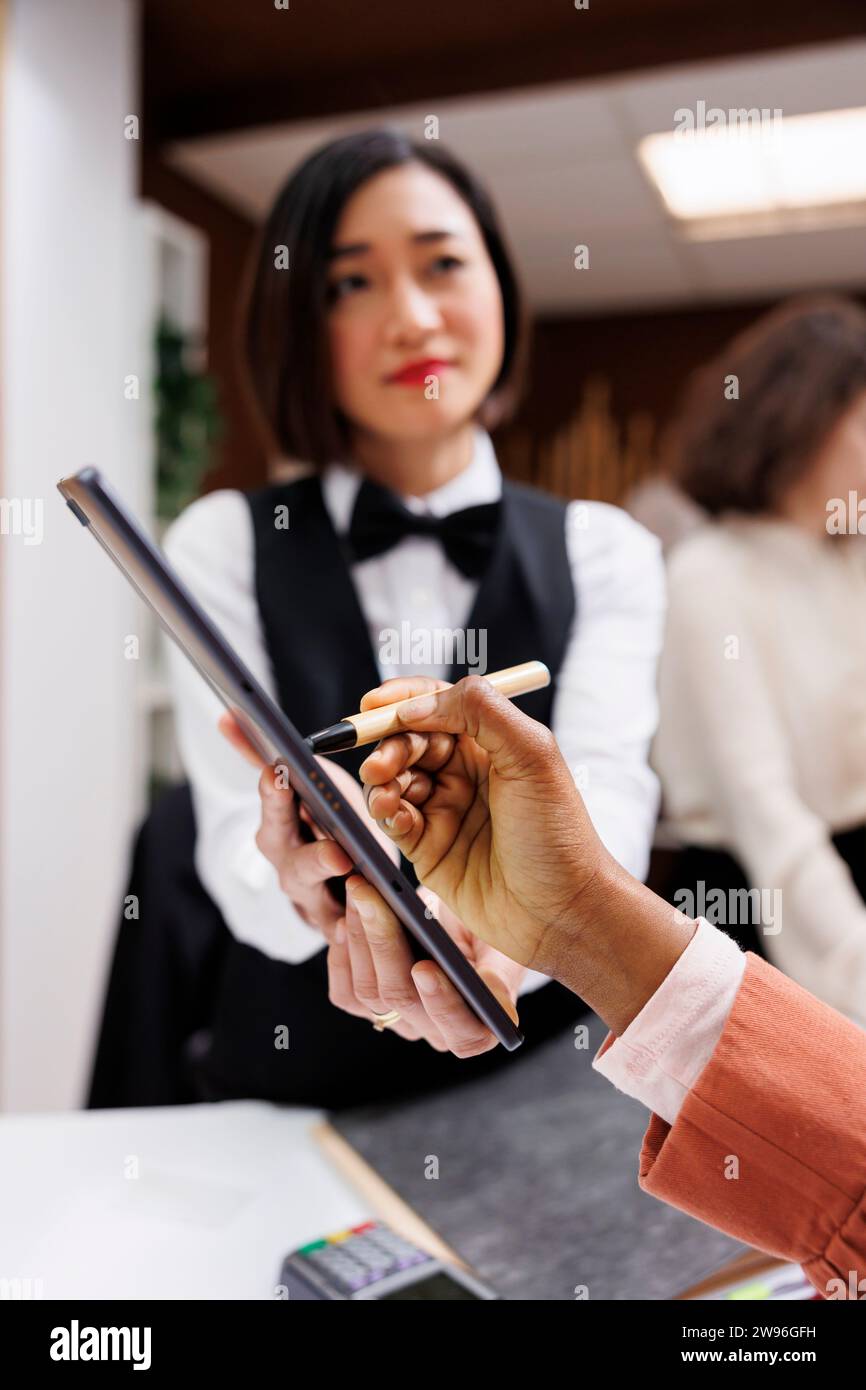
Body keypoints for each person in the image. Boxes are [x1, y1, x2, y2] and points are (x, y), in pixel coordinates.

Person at [152, 127, 664, 1105]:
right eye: (352, 283)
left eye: (441, 265)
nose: (414, 317)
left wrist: (506, 949)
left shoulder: (606, 550)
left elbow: (609, 801)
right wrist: (304, 895)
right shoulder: (221, 541)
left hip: (534, 1067)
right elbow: (231, 840)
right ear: (297, 321)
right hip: (296, 1073)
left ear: (501, 291)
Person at [233, 674, 864, 1296]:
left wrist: (573, 917)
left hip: (565, 1071)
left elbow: (615, 770)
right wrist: (578, 914)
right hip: (314, 1095)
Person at [651, 297, 866, 1025]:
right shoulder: (711, 572)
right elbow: (764, 810)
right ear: (801, 422)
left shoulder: (851, 558)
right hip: (759, 907)